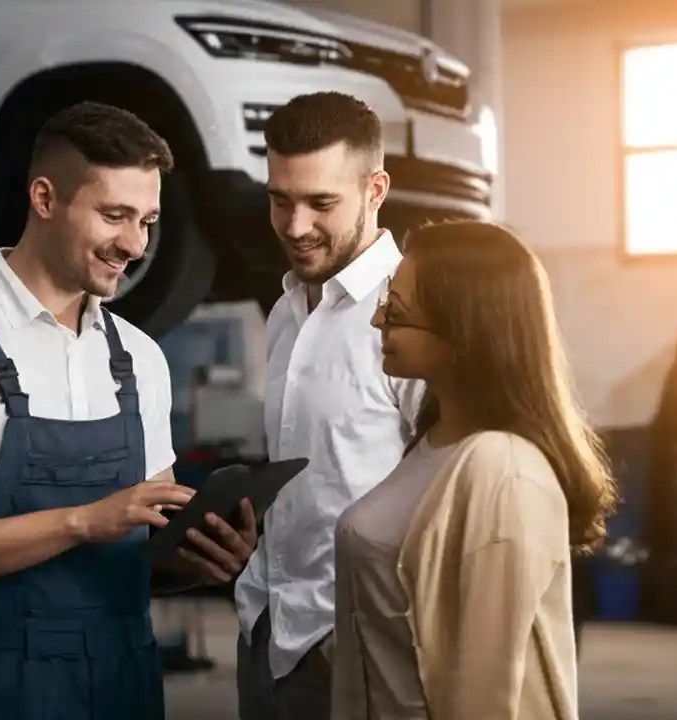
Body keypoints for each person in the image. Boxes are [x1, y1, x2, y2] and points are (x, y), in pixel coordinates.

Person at [0, 101, 256, 720]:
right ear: (44, 198)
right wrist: (81, 521)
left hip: (127, 683)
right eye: (114, 215)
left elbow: (141, 554)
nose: (135, 244)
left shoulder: (140, 358)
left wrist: (202, 560)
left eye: (147, 220)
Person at [331, 220, 619, 719]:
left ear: (463, 329)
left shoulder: (503, 471)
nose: (377, 321)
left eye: (396, 312)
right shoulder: (431, 446)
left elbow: (484, 692)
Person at [233, 91, 425, 720]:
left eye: (321, 203)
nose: (294, 226)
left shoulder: (417, 314)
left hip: (358, 645)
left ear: (375, 190)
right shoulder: (287, 312)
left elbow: (452, 499)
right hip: (266, 628)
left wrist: (365, 636)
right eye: (279, 199)